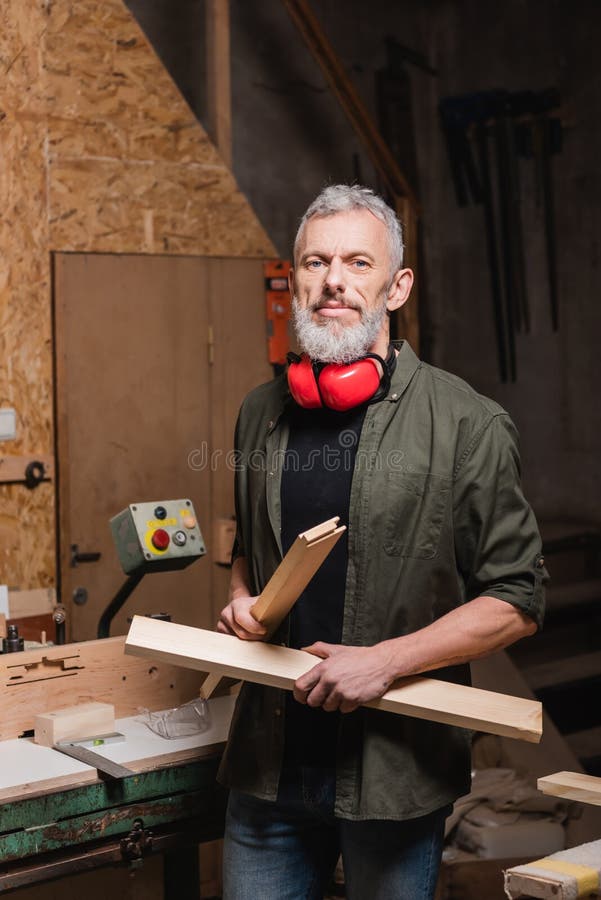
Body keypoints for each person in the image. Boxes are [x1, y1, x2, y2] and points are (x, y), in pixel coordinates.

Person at [216, 184, 546, 900]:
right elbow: (247, 547)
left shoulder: (466, 423)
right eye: (314, 262)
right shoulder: (258, 414)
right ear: (295, 280)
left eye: (356, 262)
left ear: (395, 287)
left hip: (393, 772)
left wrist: (385, 662)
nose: (332, 279)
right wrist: (243, 599)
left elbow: (517, 598)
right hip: (268, 768)